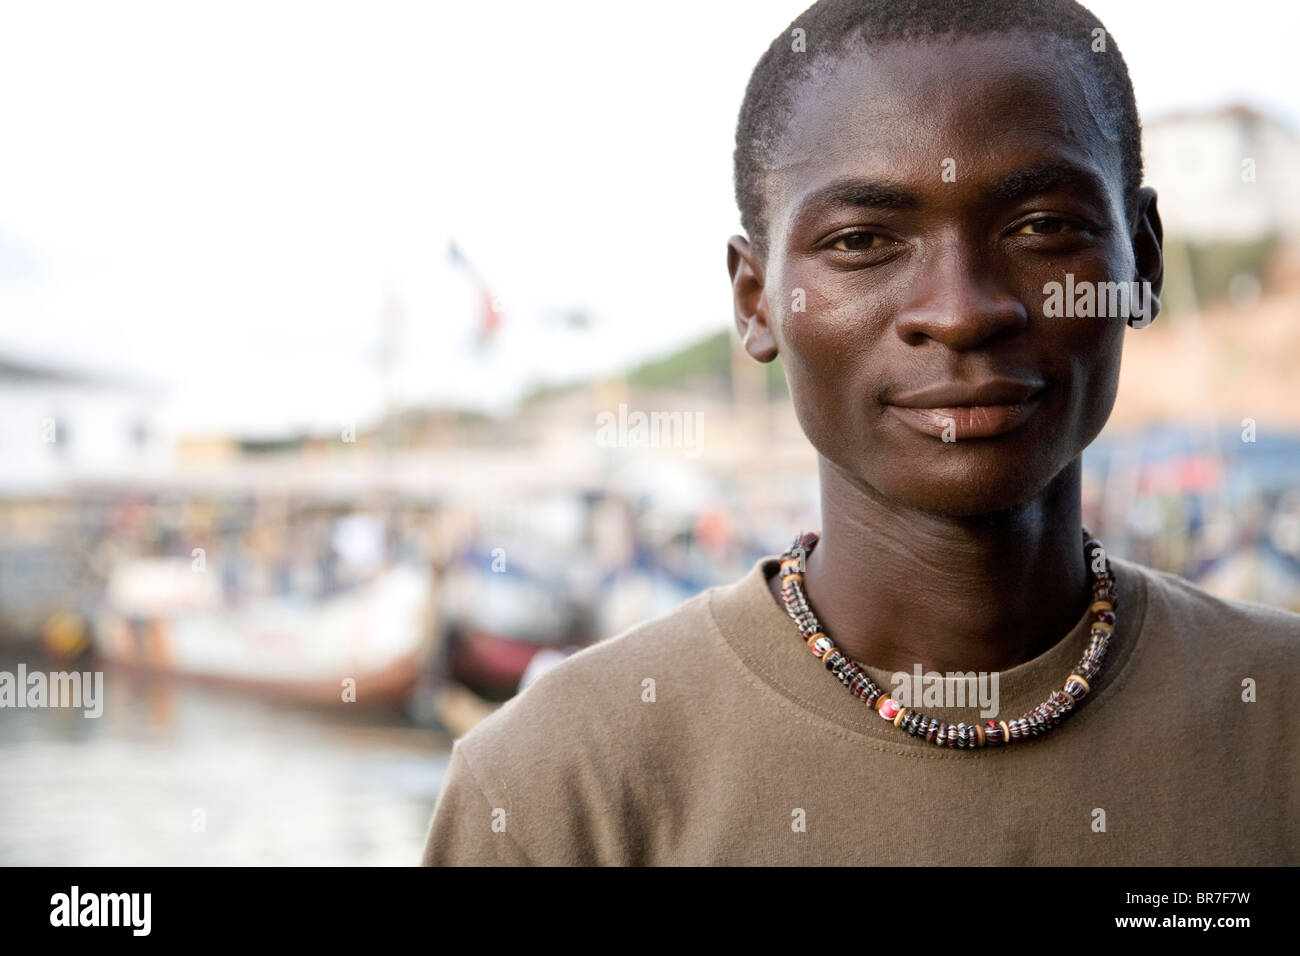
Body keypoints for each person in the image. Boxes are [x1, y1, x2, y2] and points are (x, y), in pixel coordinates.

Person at [421, 0, 1300, 866]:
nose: (960, 312)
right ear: (755, 301)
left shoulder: (1281, 719)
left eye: (1040, 228)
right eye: (861, 241)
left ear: (1140, 260)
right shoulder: (556, 786)